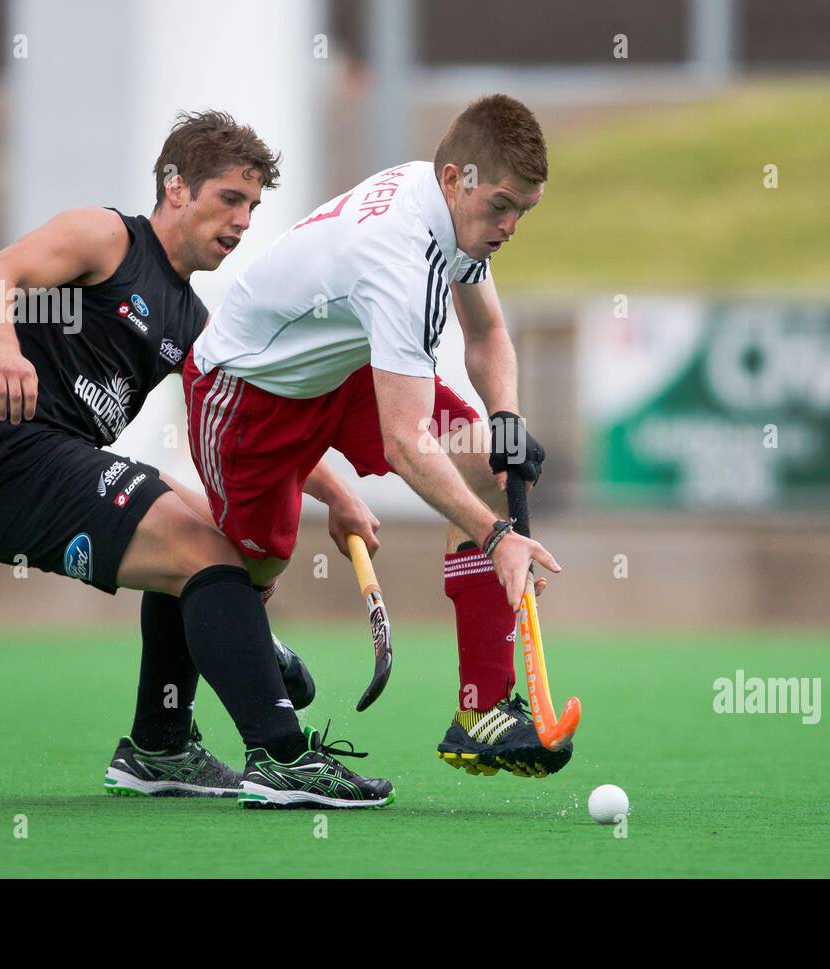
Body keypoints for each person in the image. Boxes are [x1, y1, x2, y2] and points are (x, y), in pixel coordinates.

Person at [0, 110, 393, 806]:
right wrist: (2, 346)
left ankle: (160, 744)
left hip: (58, 460)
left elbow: (250, 424)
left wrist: (334, 493)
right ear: (176, 187)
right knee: (200, 552)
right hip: (4, 461)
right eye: (229, 199)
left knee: (216, 546)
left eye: (253, 206)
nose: (243, 221)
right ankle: (282, 756)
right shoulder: (107, 237)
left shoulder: (193, 321)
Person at [186, 94, 571, 791]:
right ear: (457, 178)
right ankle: (186, 713)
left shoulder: (452, 214)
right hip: (246, 393)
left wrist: (506, 418)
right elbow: (405, 442)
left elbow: (487, 334)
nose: (511, 226)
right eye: (503, 207)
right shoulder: (400, 252)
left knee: (485, 460)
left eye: (525, 212)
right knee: (244, 568)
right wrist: (496, 536)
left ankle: (482, 712)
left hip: (339, 370)